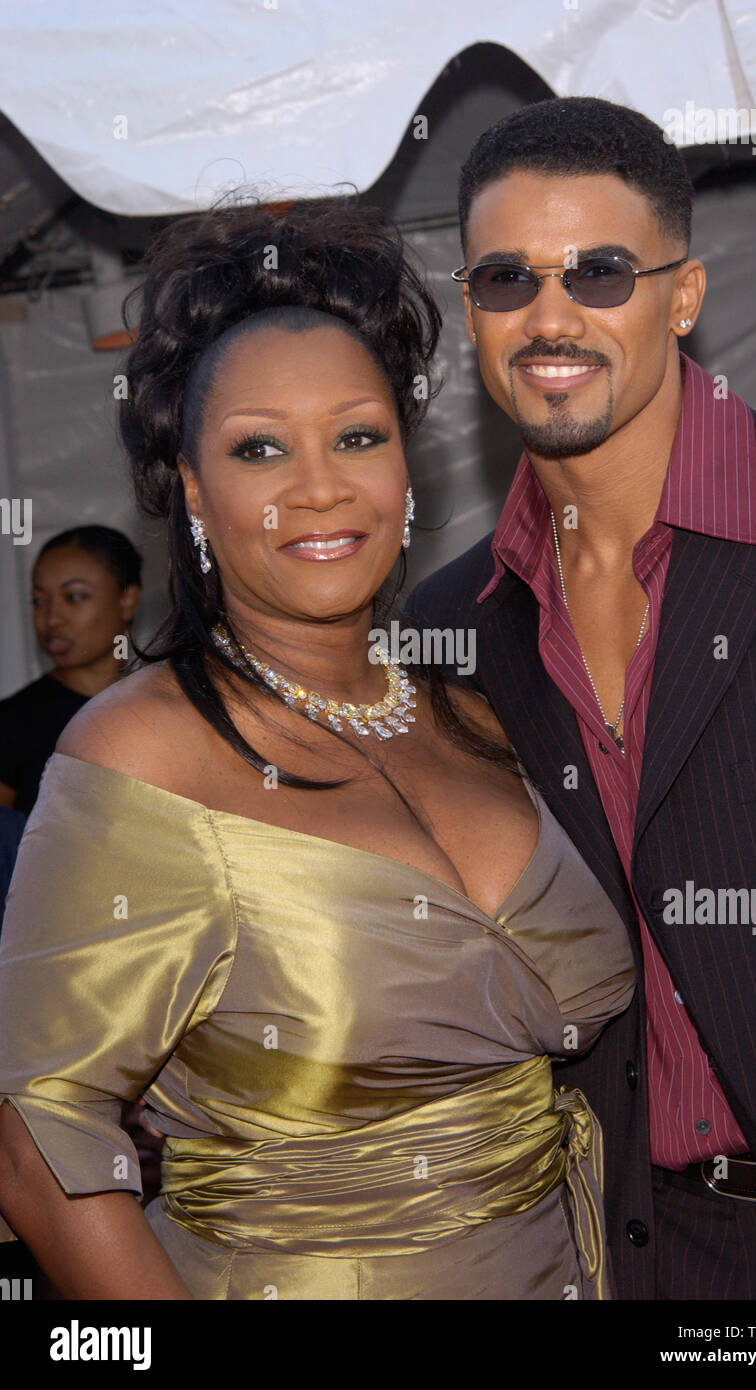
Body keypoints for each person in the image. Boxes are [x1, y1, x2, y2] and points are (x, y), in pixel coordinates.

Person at [0, 200, 635, 1301]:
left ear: (405, 462)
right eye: (258, 449)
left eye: (356, 435)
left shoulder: (481, 710)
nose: (319, 488)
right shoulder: (142, 751)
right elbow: (34, 1132)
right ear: (193, 493)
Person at [405, 96, 756, 1301]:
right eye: (506, 277)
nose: (550, 316)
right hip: (604, 1256)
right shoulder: (442, 628)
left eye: (600, 271)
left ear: (683, 296)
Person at [0, 525, 142, 816]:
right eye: (38, 601)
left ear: (127, 600)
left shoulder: (171, 705)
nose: (52, 618)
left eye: (74, 597)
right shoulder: (12, 725)